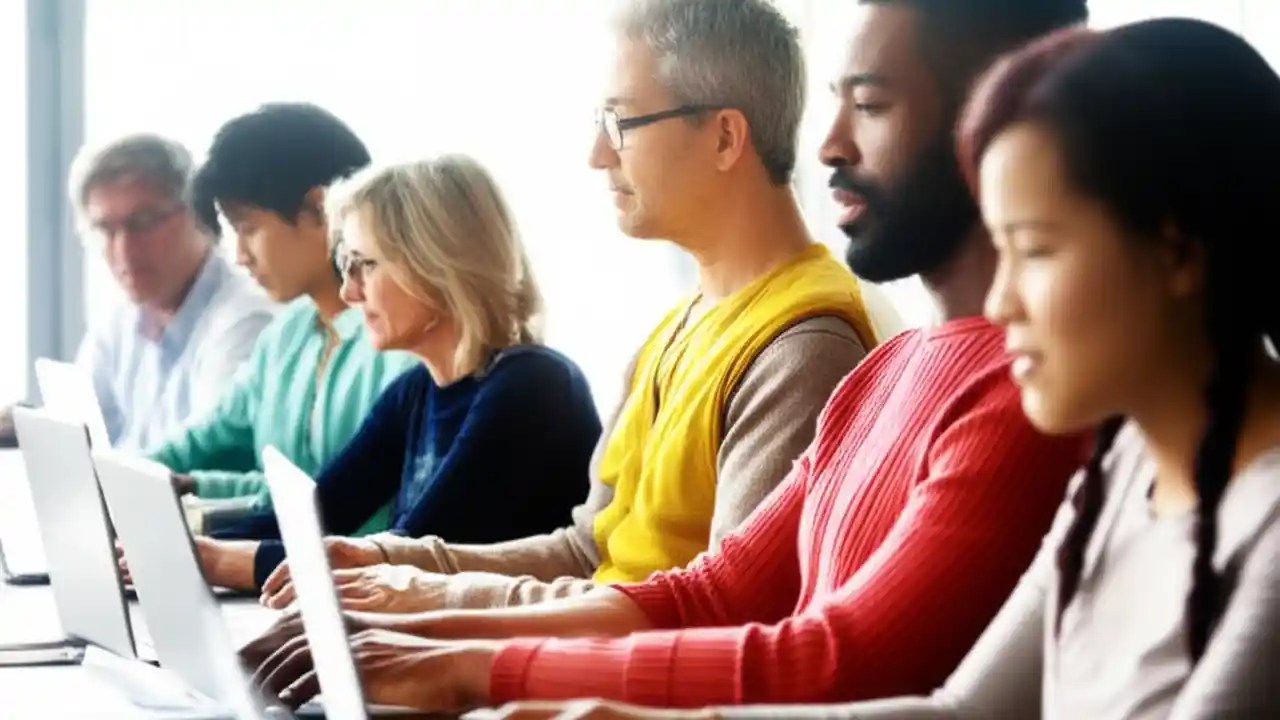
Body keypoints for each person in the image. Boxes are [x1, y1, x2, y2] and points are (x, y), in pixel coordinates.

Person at [238, 0, 1092, 713]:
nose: (827, 144)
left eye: (868, 106)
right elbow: (700, 590)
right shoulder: (886, 367)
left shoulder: (851, 349)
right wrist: (429, 615)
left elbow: (828, 658)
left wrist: (472, 659)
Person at [488, 16, 1280, 720]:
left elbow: (837, 659)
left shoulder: (1256, 526)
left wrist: (488, 668)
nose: (1002, 303)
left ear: (1177, 252)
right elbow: (960, 708)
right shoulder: (1114, 469)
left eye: (1034, 251)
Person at [259, 0, 875, 615]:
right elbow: (589, 552)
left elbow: (720, 615)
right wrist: (398, 563)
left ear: (724, 136)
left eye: (620, 122)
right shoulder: (676, 327)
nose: (597, 155)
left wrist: (441, 603)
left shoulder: (803, 347)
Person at [186, 156, 602, 590]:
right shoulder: (416, 389)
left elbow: (412, 555)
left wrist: (216, 560)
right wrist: (178, 550)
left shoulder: (533, 386)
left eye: (364, 265)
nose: (349, 292)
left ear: (435, 264)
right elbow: (315, 513)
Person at [146, 103, 418, 532]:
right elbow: (206, 441)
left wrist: (198, 488)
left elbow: (340, 499)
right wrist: (130, 477)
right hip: (284, 566)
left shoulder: (403, 347)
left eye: (248, 228)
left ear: (319, 209)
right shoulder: (285, 334)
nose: (240, 255)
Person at [0, 134, 275, 450]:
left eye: (143, 222)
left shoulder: (245, 321)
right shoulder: (120, 322)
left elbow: (208, 458)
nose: (124, 249)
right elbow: (79, 440)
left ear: (197, 213)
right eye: (105, 229)